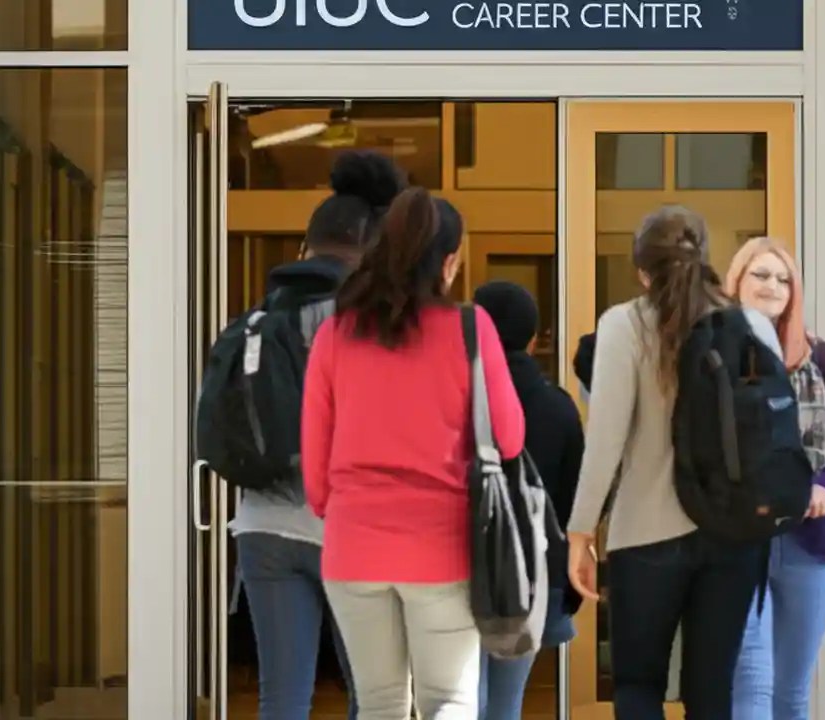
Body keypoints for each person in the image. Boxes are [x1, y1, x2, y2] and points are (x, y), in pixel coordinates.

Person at [302, 187, 526, 720]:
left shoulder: (336, 334)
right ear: (449, 262)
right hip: (441, 546)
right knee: (447, 699)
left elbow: (315, 474)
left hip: (353, 546)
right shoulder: (471, 329)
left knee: (379, 704)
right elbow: (510, 437)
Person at [565, 205, 782, 720]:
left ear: (642, 271)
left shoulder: (625, 324)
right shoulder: (752, 325)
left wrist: (581, 533)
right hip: (733, 535)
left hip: (646, 536)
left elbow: (606, 439)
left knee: (639, 685)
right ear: (705, 259)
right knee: (712, 692)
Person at [228, 150, 405, 720]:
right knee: (372, 695)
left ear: (305, 247)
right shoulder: (375, 323)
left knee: (282, 696)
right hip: (353, 530)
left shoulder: (258, 318)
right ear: (374, 251)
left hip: (263, 526)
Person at [725, 237, 825, 720]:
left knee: (789, 690)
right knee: (751, 684)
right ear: (736, 283)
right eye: (760, 274)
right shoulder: (714, 357)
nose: (773, 285)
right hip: (738, 543)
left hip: (811, 547)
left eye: (784, 277)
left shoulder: (821, 359)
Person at [472, 281, 584, 720]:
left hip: (461, 566)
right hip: (531, 577)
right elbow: (574, 499)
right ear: (534, 339)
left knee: (460, 699)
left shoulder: (457, 399)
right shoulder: (557, 406)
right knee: (505, 704)